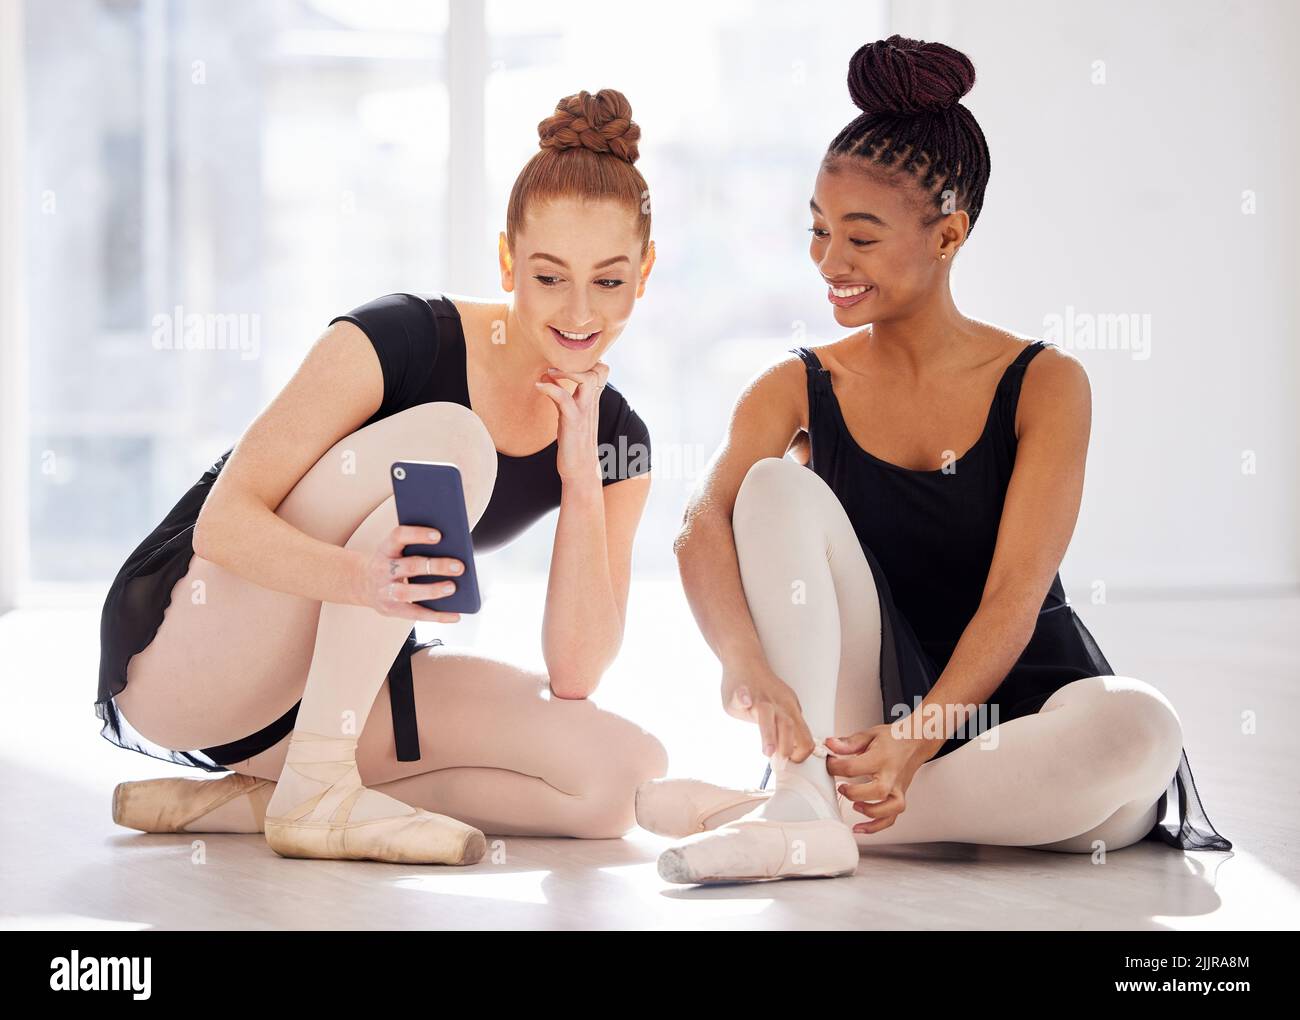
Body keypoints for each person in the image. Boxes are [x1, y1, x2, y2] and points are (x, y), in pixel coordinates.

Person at [637, 36, 1232, 885]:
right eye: (818, 230)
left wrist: (921, 741)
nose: (829, 262)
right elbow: (701, 528)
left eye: (862, 237)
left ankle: (793, 816)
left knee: (1140, 726)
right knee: (772, 484)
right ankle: (805, 813)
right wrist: (748, 666)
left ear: (947, 234)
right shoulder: (797, 386)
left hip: (1030, 729)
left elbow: (1017, 597)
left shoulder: (1045, 383)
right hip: (866, 724)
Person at [98, 88, 668, 865]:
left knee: (617, 778)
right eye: (547, 277)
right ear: (507, 260)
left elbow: (576, 670)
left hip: (328, 697)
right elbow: (224, 524)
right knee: (453, 440)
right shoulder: (399, 336)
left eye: (608, 280)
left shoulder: (617, 440)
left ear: (645, 271)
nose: (578, 311)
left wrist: (577, 473)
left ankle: (268, 798)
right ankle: (322, 793)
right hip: (194, 655)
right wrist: (362, 582)